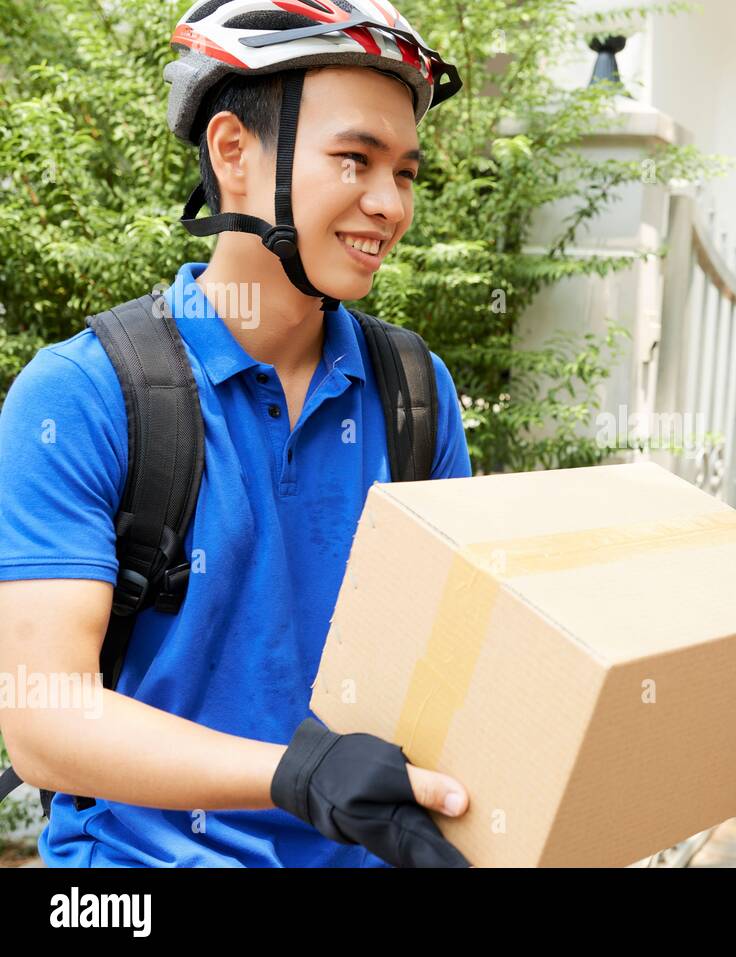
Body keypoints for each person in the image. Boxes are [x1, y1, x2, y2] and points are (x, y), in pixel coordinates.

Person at [0, 0, 473, 867]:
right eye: (354, 159)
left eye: (405, 171)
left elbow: (452, 668)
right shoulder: (84, 394)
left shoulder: (416, 394)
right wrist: (295, 773)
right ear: (233, 153)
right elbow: (41, 719)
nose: (389, 205)